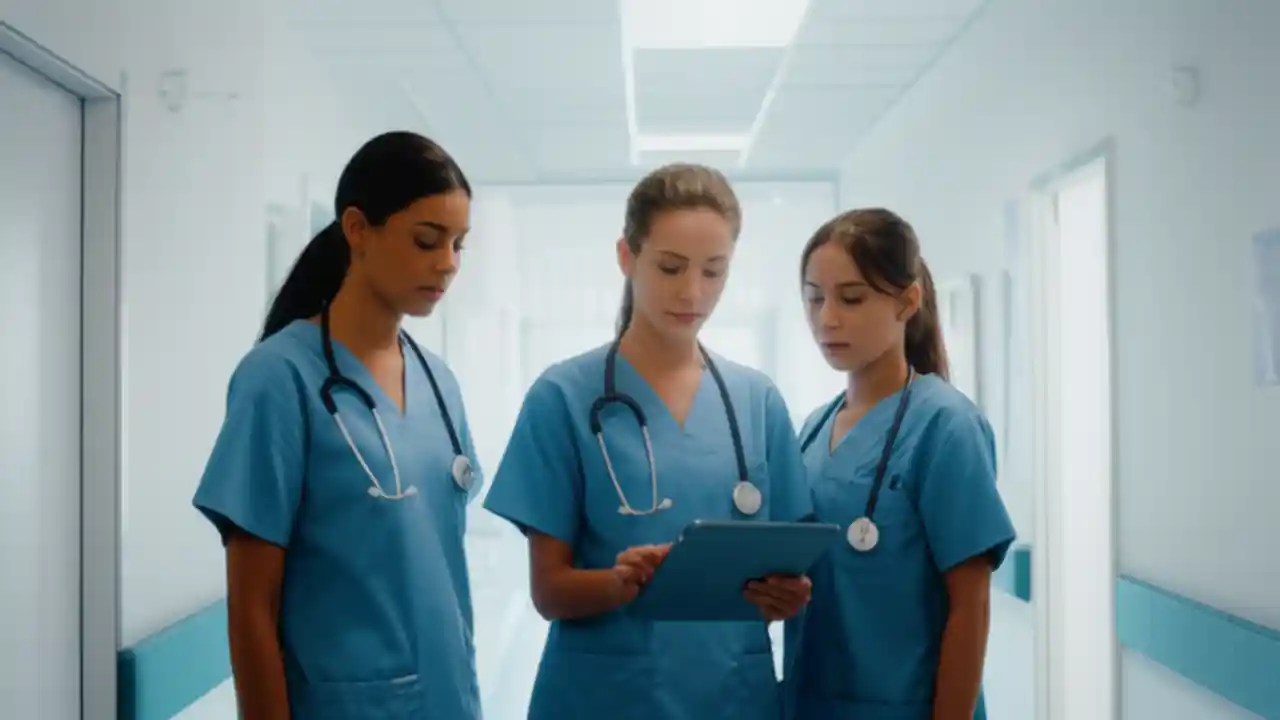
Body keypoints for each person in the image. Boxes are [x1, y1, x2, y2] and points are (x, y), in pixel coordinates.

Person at [482, 163, 813, 720]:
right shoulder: (564, 397)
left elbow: (786, 577)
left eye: (714, 271)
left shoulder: (757, 403)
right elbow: (549, 593)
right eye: (670, 267)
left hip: (733, 697)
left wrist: (787, 596)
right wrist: (618, 583)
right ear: (626, 257)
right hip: (606, 696)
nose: (693, 292)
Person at [192, 131, 484, 720]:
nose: (448, 263)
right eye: (427, 240)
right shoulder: (280, 379)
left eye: (458, 244)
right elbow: (252, 604)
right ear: (357, 229)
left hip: (450, 700)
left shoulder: (438, 382)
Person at [782, 208, 1016, 720]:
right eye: (814, 297)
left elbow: (970, 606)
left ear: (907, 301)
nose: (827, 318)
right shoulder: (813, 430)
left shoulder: (945, 426)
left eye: (851, 297)